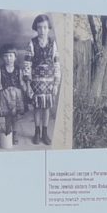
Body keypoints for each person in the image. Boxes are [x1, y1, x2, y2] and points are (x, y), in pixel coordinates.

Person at [27, 14, 61, 147]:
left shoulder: (53, 44)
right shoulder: (32, 43)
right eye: (39, 27)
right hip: (36, 82)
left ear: (49, 28)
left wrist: (56, 83)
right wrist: (28, 83)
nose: (42, 30)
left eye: (45, 27)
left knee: (46, 107)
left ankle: (45, 133)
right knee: (37, 107)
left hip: (49, 82)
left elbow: (56, 63)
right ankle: (36, 132)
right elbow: (27, 64)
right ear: (36, 28)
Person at [0, 44, 27, 149]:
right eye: (5, 56)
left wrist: (26, 88)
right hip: (5, 95)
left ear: (15, 57)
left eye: (11, 56)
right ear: (2, 57)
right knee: (7, 117)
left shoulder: (19, 69)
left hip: (16, 96)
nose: (8, 58)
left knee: (15, 117)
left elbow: (21, 82)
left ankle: (15, 134)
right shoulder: (0, 70)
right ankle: (8, 132)